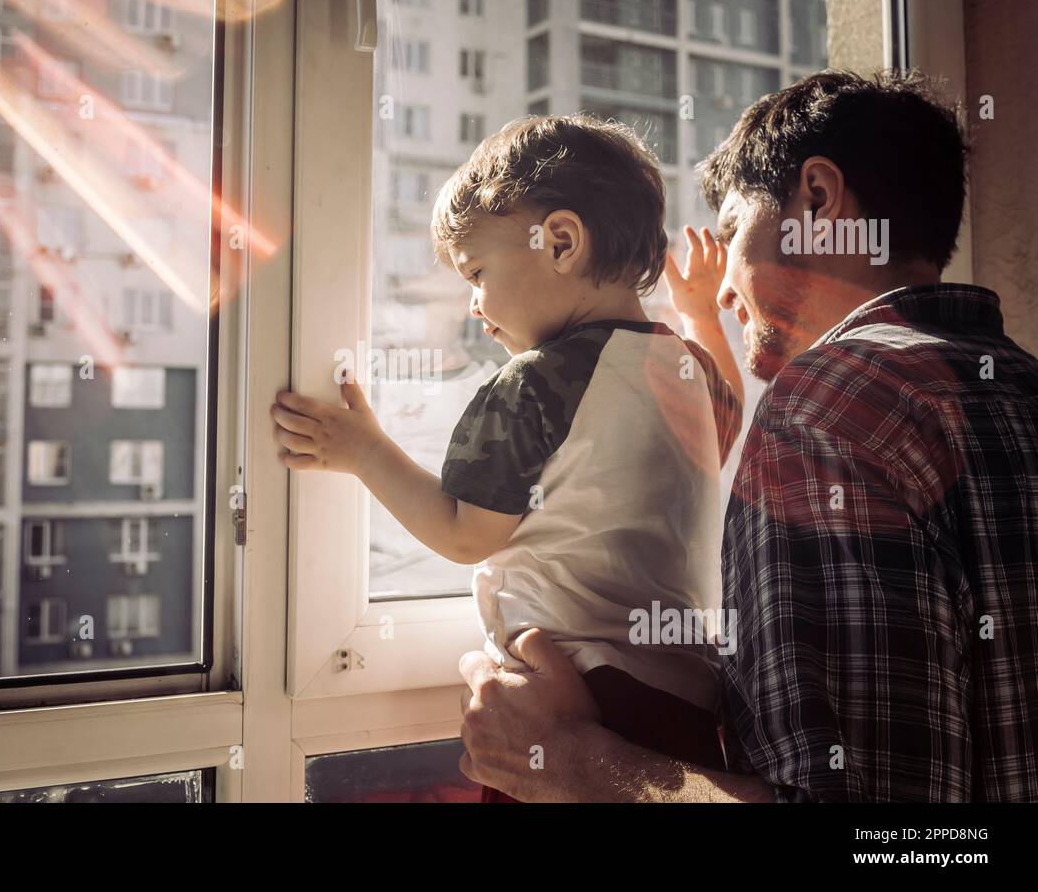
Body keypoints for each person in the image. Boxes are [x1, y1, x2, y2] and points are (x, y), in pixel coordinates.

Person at [459, 70, 1038, 802]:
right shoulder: (1018, 388)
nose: (725, 291)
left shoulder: (827, 411)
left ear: (818, 201)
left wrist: (568, 760)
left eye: (733, 234)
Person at [271, 114, 742, 801]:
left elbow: (464, 533)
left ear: (560, 242)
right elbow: (725, 421)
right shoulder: (684, 367)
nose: (472, 307)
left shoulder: (536, 382)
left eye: (478, 272)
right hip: (690, 703)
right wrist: (700, 316)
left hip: (575, 698)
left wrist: (363, 450)